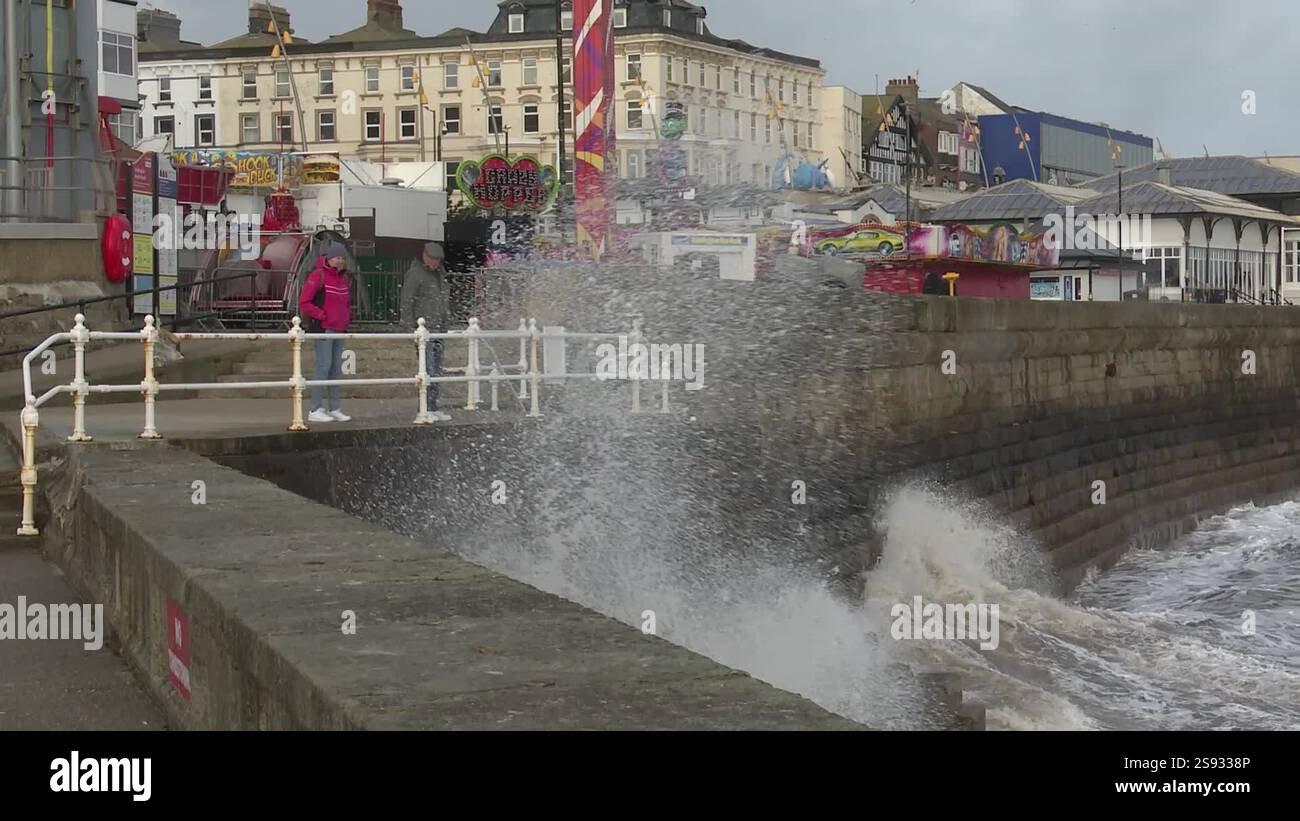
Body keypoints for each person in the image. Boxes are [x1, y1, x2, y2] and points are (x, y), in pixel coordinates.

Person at [299, 240, 353, 423]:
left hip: (339, 327)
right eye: (337, 258)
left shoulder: (343, 278)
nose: (340, 261)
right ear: (329, 259)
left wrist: (346, 318)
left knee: (335, 367)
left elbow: (345, 303)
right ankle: (315, 408)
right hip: (324, 327)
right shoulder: (318, 275)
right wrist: (321, 315)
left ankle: (334, 407)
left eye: (342, 258)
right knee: (324, 366)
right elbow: (304, 302)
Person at [401, 241, 453, 422]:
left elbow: (443, 301)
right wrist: (410, 329)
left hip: (438, 329)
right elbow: (406, 302)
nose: (436, 263)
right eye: (433, 259)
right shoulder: (416, 274)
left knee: (437, 370)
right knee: (428, 369)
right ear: (425, 256)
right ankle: (426, 407)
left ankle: (432, 406)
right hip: (425, 331)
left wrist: (445, 322)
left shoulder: (439, 274)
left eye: (438, 260)